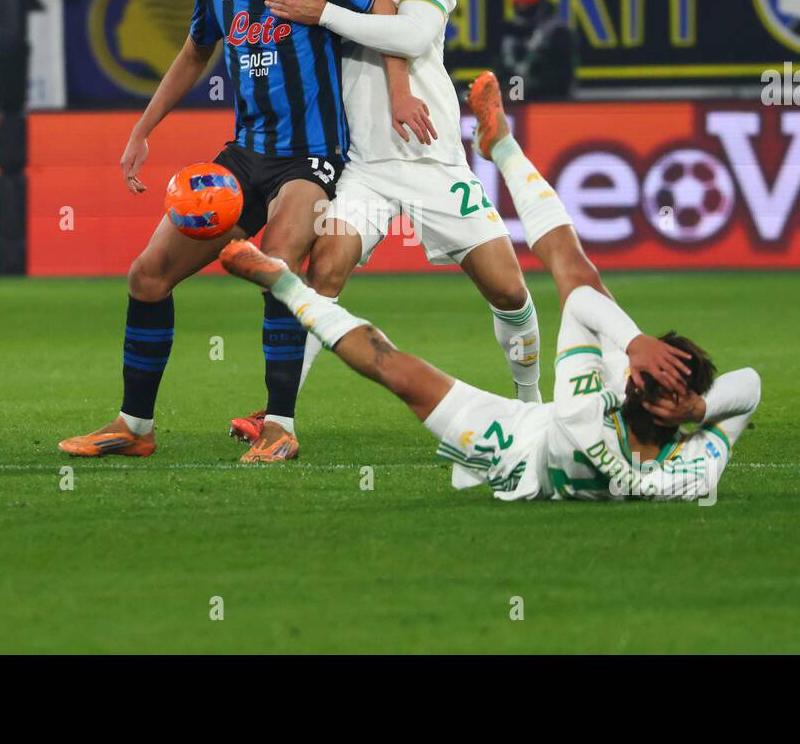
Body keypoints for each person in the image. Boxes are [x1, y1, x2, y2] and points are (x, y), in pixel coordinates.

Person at [218, 72, 762, 503]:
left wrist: (636, 342)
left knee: (405, 365)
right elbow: (751, 387)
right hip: (546, 453)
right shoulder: (690, 475)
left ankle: (286, 284)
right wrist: (692, 410)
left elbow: (582, 297)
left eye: (648, 375)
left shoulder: (582, 416)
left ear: (638, 391)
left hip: (517, 444)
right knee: (391, 362)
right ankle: (286, 313)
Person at [57, 0, 405, 461]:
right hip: (244, 158)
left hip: (312, 158)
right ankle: (135, 426)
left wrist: (389, 81)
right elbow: (194, 54)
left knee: (278, 262)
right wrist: (143, 130)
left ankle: (280, 427)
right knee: (147, 275)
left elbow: (385, 12)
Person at [232, 0, 543, 455]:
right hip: (365, 168)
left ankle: (531, 407)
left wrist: (323, 13)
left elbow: (413, 36)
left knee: (508, 291)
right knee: (319, 275)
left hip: (432, 163)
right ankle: (279, 417)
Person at [499, 0, 574, 100]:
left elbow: (562, 79)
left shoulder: (556, 32)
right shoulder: (510, 34)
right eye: (519, 4)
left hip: (550, 106)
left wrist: (531, 86)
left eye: (527, 4)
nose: (522, 9)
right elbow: (500, 69)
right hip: (513, 105)